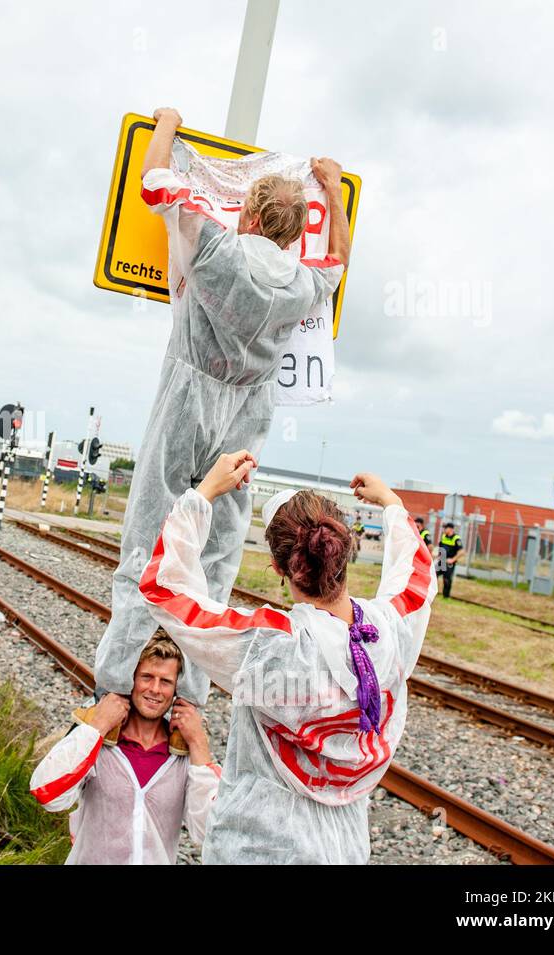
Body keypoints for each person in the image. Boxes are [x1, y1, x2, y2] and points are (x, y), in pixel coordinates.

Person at [94, 107, 350, 710]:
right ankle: (188, 694)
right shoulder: (303, 285)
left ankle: (115, 684)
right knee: (216, 554)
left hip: (189, 395)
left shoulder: (215, 249)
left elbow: (154, 183)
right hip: (246, 417)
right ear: (294, 231)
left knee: (150, 541)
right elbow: (338, 260)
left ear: (252, 216)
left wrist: (166, 125)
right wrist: (333, 192)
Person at [138, 451, 436, 863]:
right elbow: (416, 575)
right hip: (343, 851)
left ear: (279, 566)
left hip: (260, 848)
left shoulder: (270, 647)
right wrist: (392, 506)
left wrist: (204, 493)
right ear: (345, 551)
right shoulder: (390, 631)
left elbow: (165, 589)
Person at [29, 634, 220, 865]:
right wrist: (97, 726)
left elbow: (210, 834)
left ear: (176, 690)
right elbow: (47, 794)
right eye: (147, 677)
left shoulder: (183, 757)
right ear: (131, 680)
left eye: (165, 681)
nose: (155, 689)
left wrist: (199, 744)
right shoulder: (99, 743)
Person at [438, 522, 464, 598]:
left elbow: (462, 552)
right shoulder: (443, 536)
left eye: (445, 528)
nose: (444, 529)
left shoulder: (456, 538)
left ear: (450, 529)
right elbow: (441, 546)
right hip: (442, 561)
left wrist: (453, 560)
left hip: (449, 563)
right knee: (433, 574)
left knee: (446, 579)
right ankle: (431, 592)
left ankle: (446, 596)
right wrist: (439, 555)